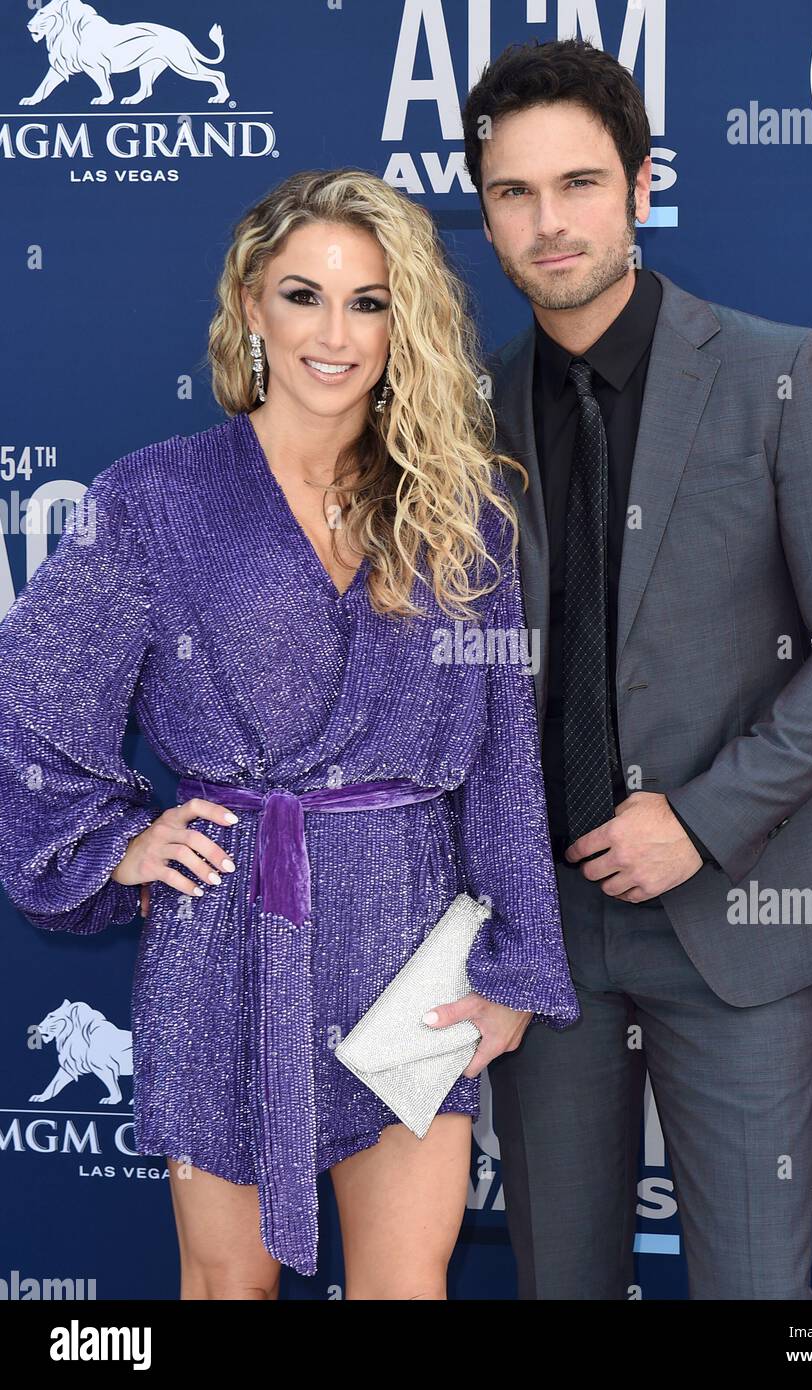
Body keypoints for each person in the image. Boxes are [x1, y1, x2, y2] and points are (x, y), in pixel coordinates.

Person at [0, 167, 580, 1300]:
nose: (335, 333)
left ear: (401, 320)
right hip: (225, 935)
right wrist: (113, 839)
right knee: (227, 1288)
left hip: (410, 939)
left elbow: (503, 754)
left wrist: (515, 960)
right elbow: (31, 694)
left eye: (368, 302)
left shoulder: (459, 511)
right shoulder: (154, 500)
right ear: (250, 307)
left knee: (404, 1287)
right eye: (302, 295)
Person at [451, 38, 812, 1299]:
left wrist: (699, 823)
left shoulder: (773, 371)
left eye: (578, 184)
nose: (549, 224)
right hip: (539, 931)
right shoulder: (464, 413)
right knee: (561, 1279)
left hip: (737, 909)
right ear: (484, 215)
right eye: (512, 193)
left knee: (759, 1288)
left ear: (640, 185)